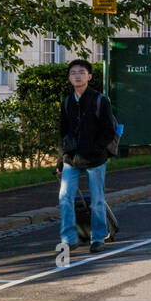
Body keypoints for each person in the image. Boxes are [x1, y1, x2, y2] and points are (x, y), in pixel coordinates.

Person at [55, 59, 117, 254]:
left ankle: (98, 237)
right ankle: (69, 239)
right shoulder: (66, 102)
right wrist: (60, 158)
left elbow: (109, 130)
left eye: (81, 72)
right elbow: (63, 132)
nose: (77, 76)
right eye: (73, 73)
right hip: (72, 158)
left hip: (95, 159)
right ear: (69, 78)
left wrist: (97, 149)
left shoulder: (99, 100)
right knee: (64, 197)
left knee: (97, 199)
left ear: (89, 77)